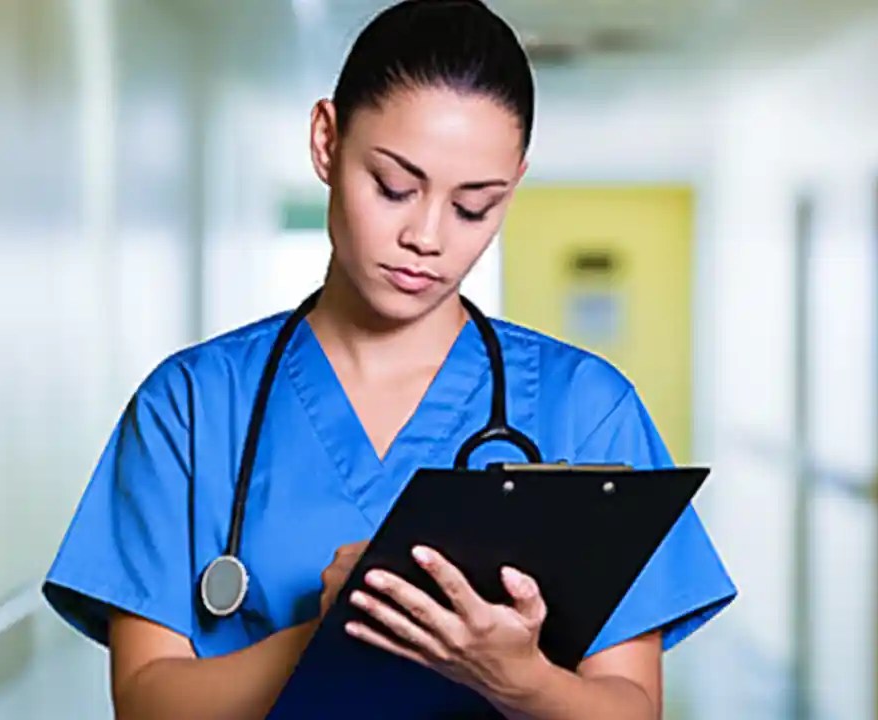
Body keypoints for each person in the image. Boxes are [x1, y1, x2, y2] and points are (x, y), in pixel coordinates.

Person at [41, 1, 735, 717]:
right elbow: (147, 701)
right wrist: (344, 628)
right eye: (395, 187)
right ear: (326, 141)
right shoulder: (190, 407)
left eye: (474, 207)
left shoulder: (584, 407)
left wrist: (516, 676)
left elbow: (630, 707)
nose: (427, 237)